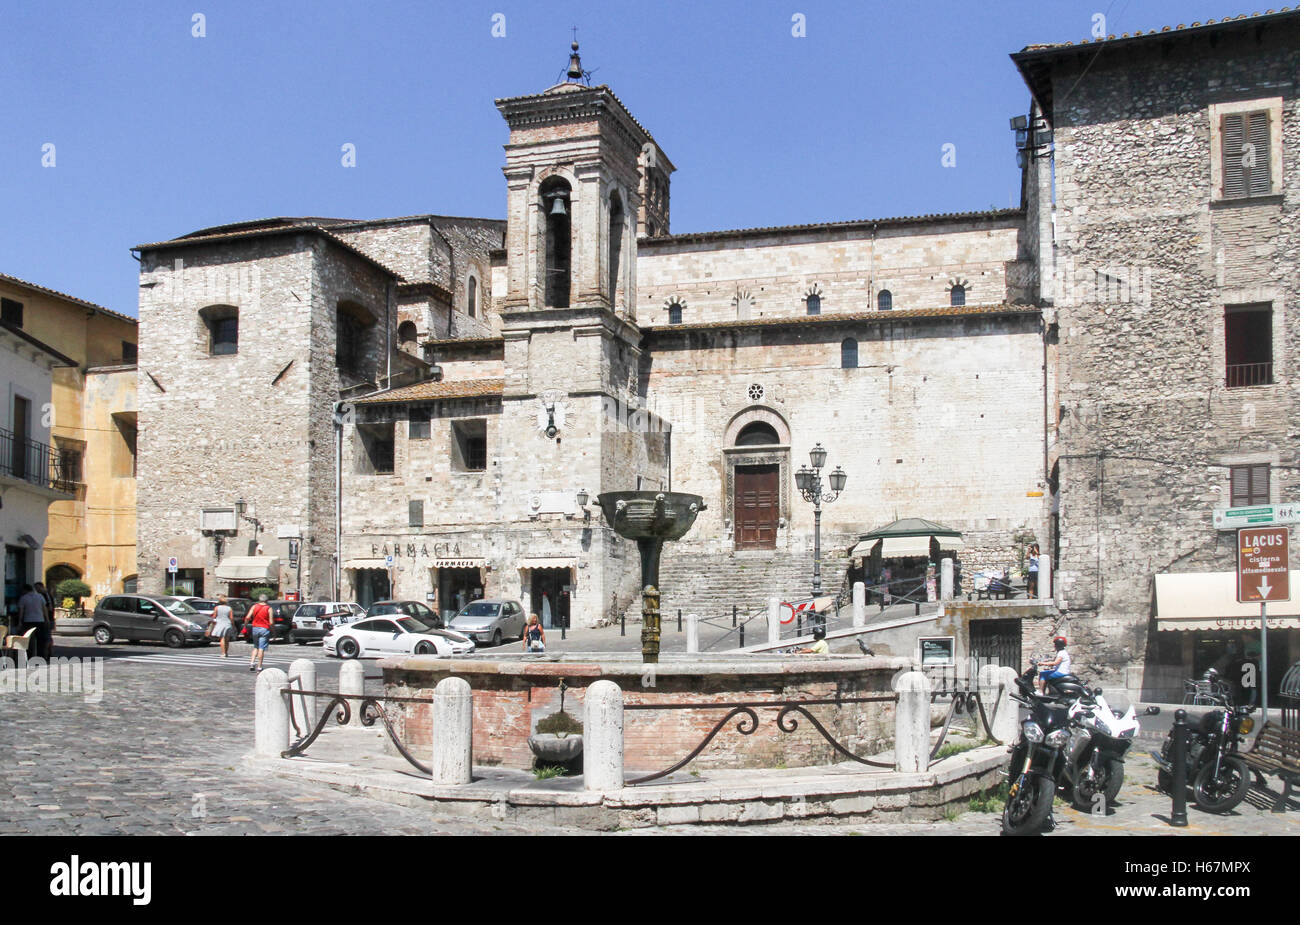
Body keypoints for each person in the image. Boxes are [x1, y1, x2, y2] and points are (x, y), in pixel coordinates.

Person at [16, 584, 50, 662]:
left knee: (29, 640)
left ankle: (29, 657)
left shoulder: (23, 598)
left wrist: (20, 622)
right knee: (40, 640)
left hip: (28, 621)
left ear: (25, 590)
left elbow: (21, 611)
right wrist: (47, 619)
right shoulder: (40, 597)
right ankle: (40, 657)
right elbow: (44, 609)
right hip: (40, 620)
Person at [245, 595, 273, 671]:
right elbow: (271, 622)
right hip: (264, 629)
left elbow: (247, 617)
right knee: (261, 648)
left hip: (255, 628)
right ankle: (259, 666)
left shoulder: (254, 606)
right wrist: (273, 630)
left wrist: (245, 625)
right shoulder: (269, 608)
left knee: (255, 646)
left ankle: (252, 663)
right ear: (267, 600)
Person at [34, 581, 56, 658]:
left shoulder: (44, 595)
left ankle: (46, 654)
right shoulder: (48, 594)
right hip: (50, 618)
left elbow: (48, 608)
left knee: (46, 637)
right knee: (48, 636)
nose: (36, 590)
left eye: (37, 588)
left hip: (47, 619)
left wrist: (46, 619)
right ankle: (49, 653)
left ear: (41, 587)